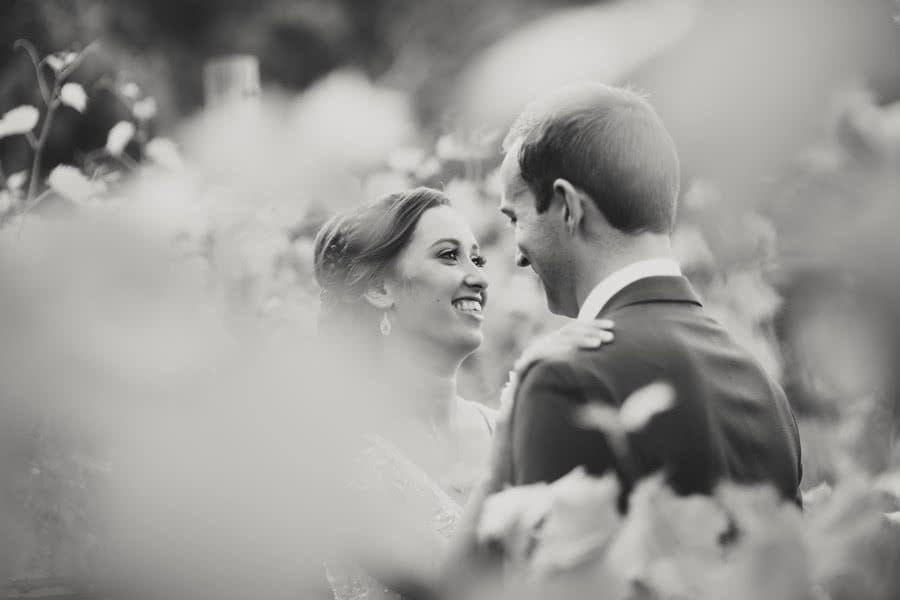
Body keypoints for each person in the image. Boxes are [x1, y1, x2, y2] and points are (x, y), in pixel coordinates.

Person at [448, 82, 803, 587]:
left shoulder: (564, 380)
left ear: (568, 206)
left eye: (516, 218)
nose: (519, 253)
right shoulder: (760, 382)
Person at [312, 187, 612, 599]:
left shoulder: (501, 428)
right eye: (449, 255)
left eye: (478, 258)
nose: (479, 277)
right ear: (381, 289)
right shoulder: (338, 455)